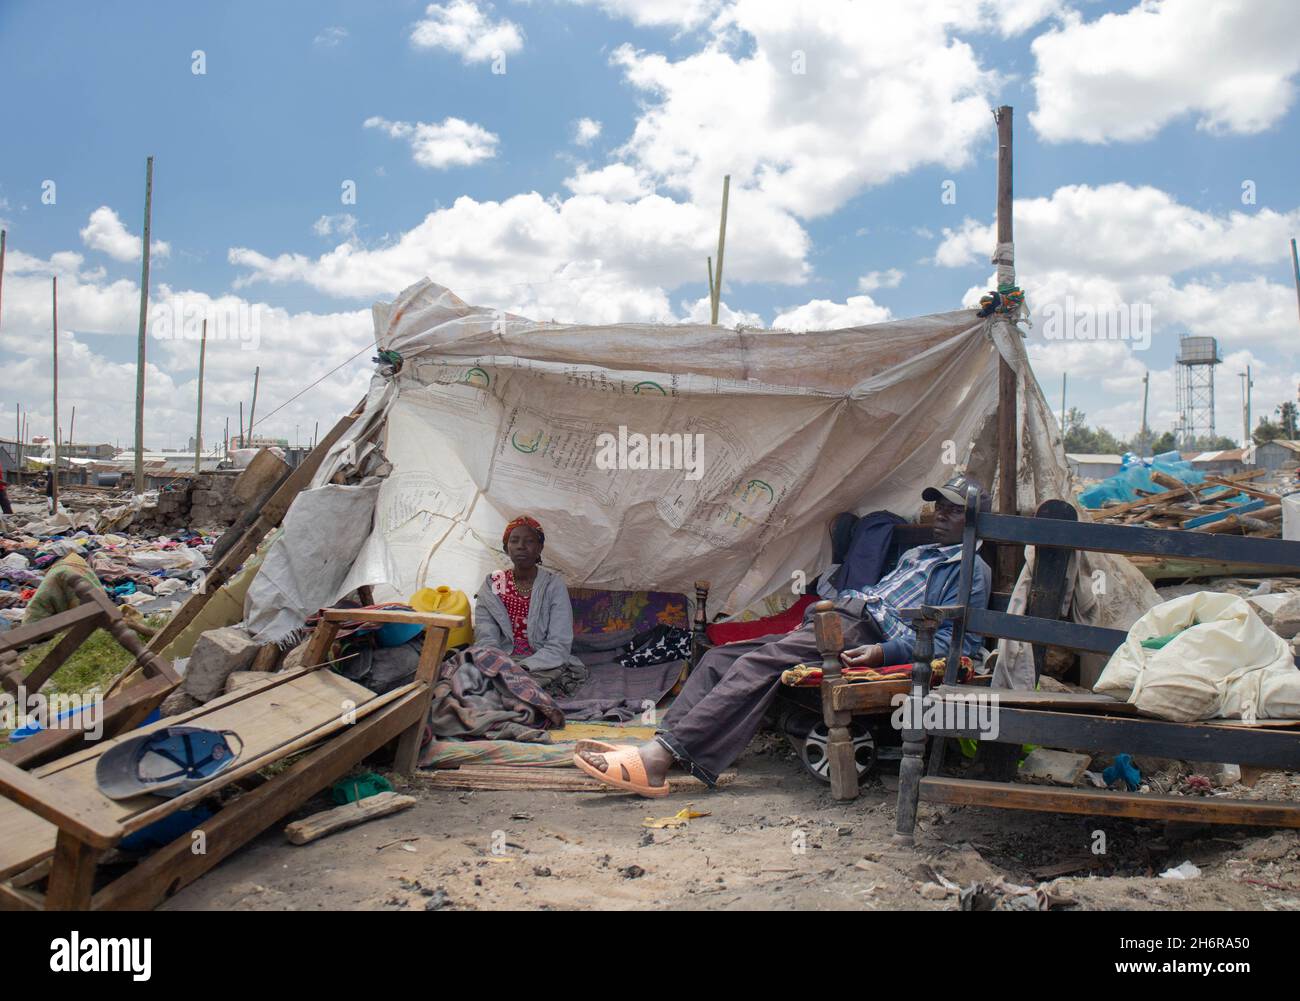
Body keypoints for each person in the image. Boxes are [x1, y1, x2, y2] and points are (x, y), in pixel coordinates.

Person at [574, 475, 993, 796]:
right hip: (838, 617)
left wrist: (883, 652)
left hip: (863, 631)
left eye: (953, 510)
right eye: (938, 506)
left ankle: (657, 760)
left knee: (756, 664)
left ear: (976, 520)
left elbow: (955, 647)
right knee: (721, 657)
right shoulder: (921, 554)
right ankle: (670, 747)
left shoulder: (970, 571)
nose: (939, 514)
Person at [473, 515, 584, 690]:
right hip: (500, 660)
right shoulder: (494, 583)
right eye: (514, 541)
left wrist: (523, 667)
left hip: (541, 663)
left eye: (529, 541)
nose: (520, 546)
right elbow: (486, 634)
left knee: (524, 687)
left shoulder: (552, 585)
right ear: (506, 547)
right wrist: (497, 663)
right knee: (464, 675)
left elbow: (559, 642)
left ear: (540, 548)